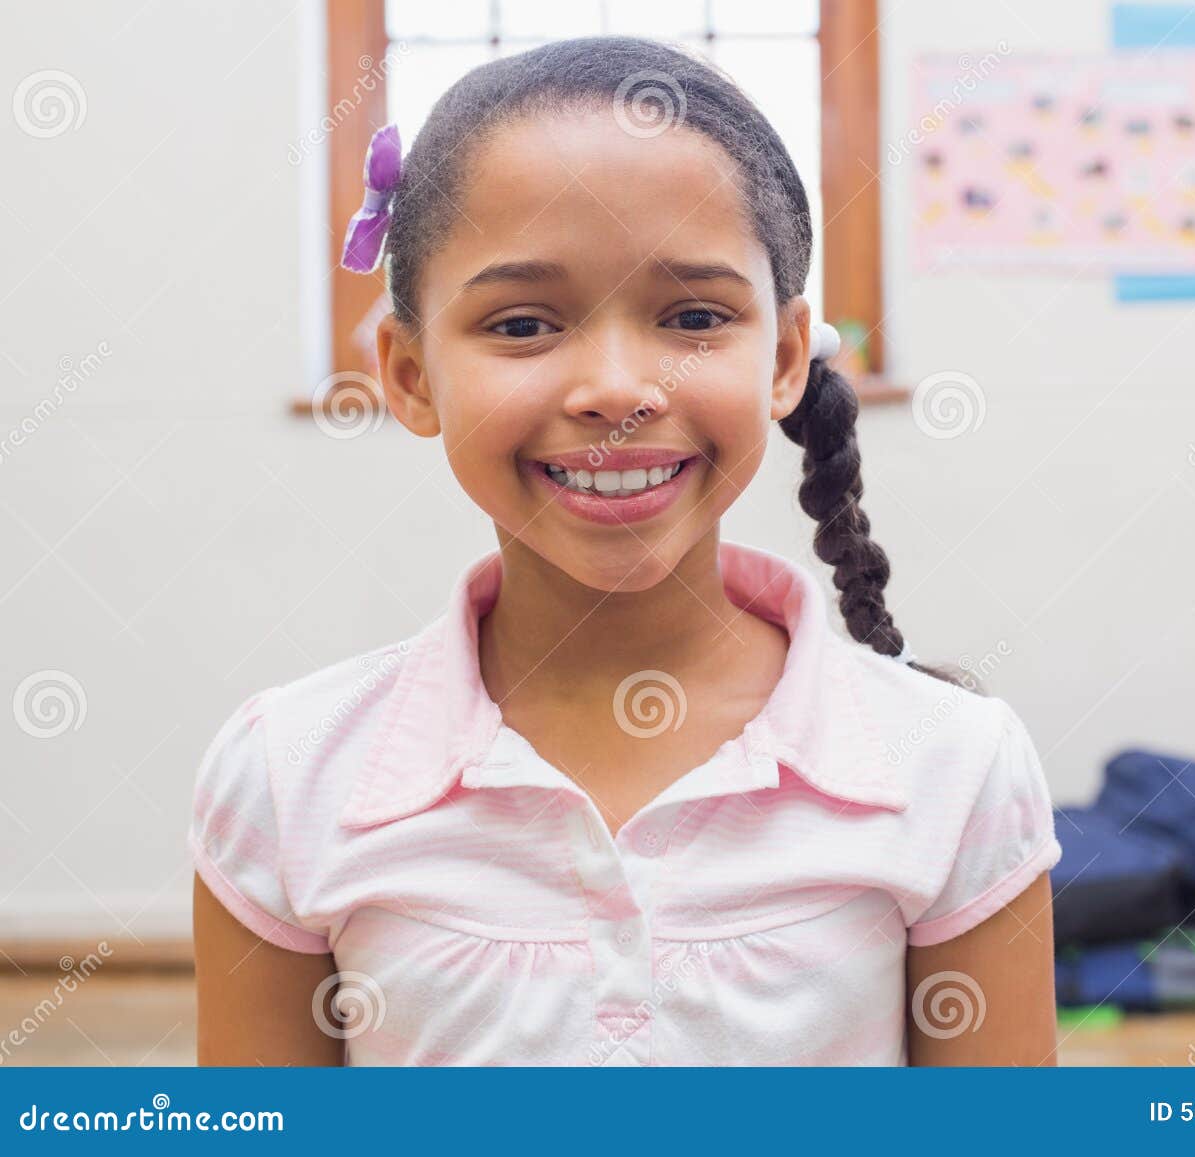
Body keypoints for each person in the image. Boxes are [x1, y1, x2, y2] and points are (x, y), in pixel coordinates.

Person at [191, 36, 1060, 1066]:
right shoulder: (287, 773)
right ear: (411, 372)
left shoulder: (954, 766)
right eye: (522, 323)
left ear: (782, 358)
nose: (616, 387)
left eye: (693, 316)